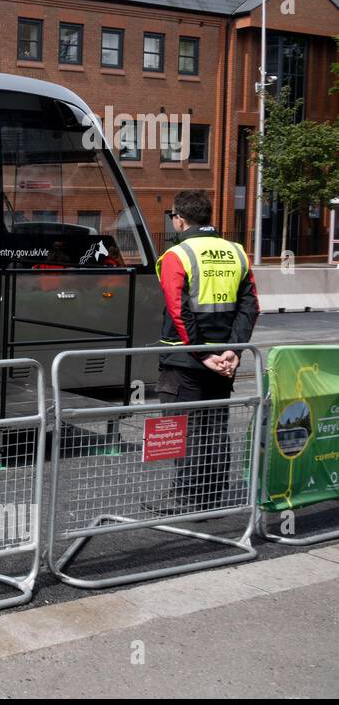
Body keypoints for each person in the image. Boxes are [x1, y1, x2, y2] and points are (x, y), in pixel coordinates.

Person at [145, 189, 259, 514]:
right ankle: (210, 498)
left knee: (185, 430)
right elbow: (251, 306)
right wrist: (233, 352)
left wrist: (203, 354)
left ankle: (186, 499)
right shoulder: (237, 251)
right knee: (214, 428)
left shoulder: (176, 256)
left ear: (179, 218)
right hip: (224, 360)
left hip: (185, 361)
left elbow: (179, 311)